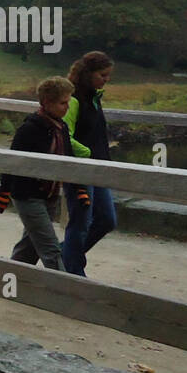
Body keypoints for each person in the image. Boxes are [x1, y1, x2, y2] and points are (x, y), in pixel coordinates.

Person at [0, 76, 88, 271]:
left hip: (49, 196)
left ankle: (13, 278)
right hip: (28, 196)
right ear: (46, 102)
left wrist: (79, 188)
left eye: (68, 102)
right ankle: (65, 293)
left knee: (29, 247)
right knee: (51, 249)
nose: (67, 108)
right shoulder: (30, 129)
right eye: (63, 103)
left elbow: (68, 160)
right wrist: (4, 193)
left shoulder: (62, 128)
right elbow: (12, 162)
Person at [61, 51, 116, 277]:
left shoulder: (95, 97)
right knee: (81, 222)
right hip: (80, 170)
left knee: (106, 220)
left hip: (99, 170)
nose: (107, 79)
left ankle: (63, 255)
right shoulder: (73, 100)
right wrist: (88, 153)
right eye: (103, 75)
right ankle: (74, 273)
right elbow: (65, 134)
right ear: (89, 74)